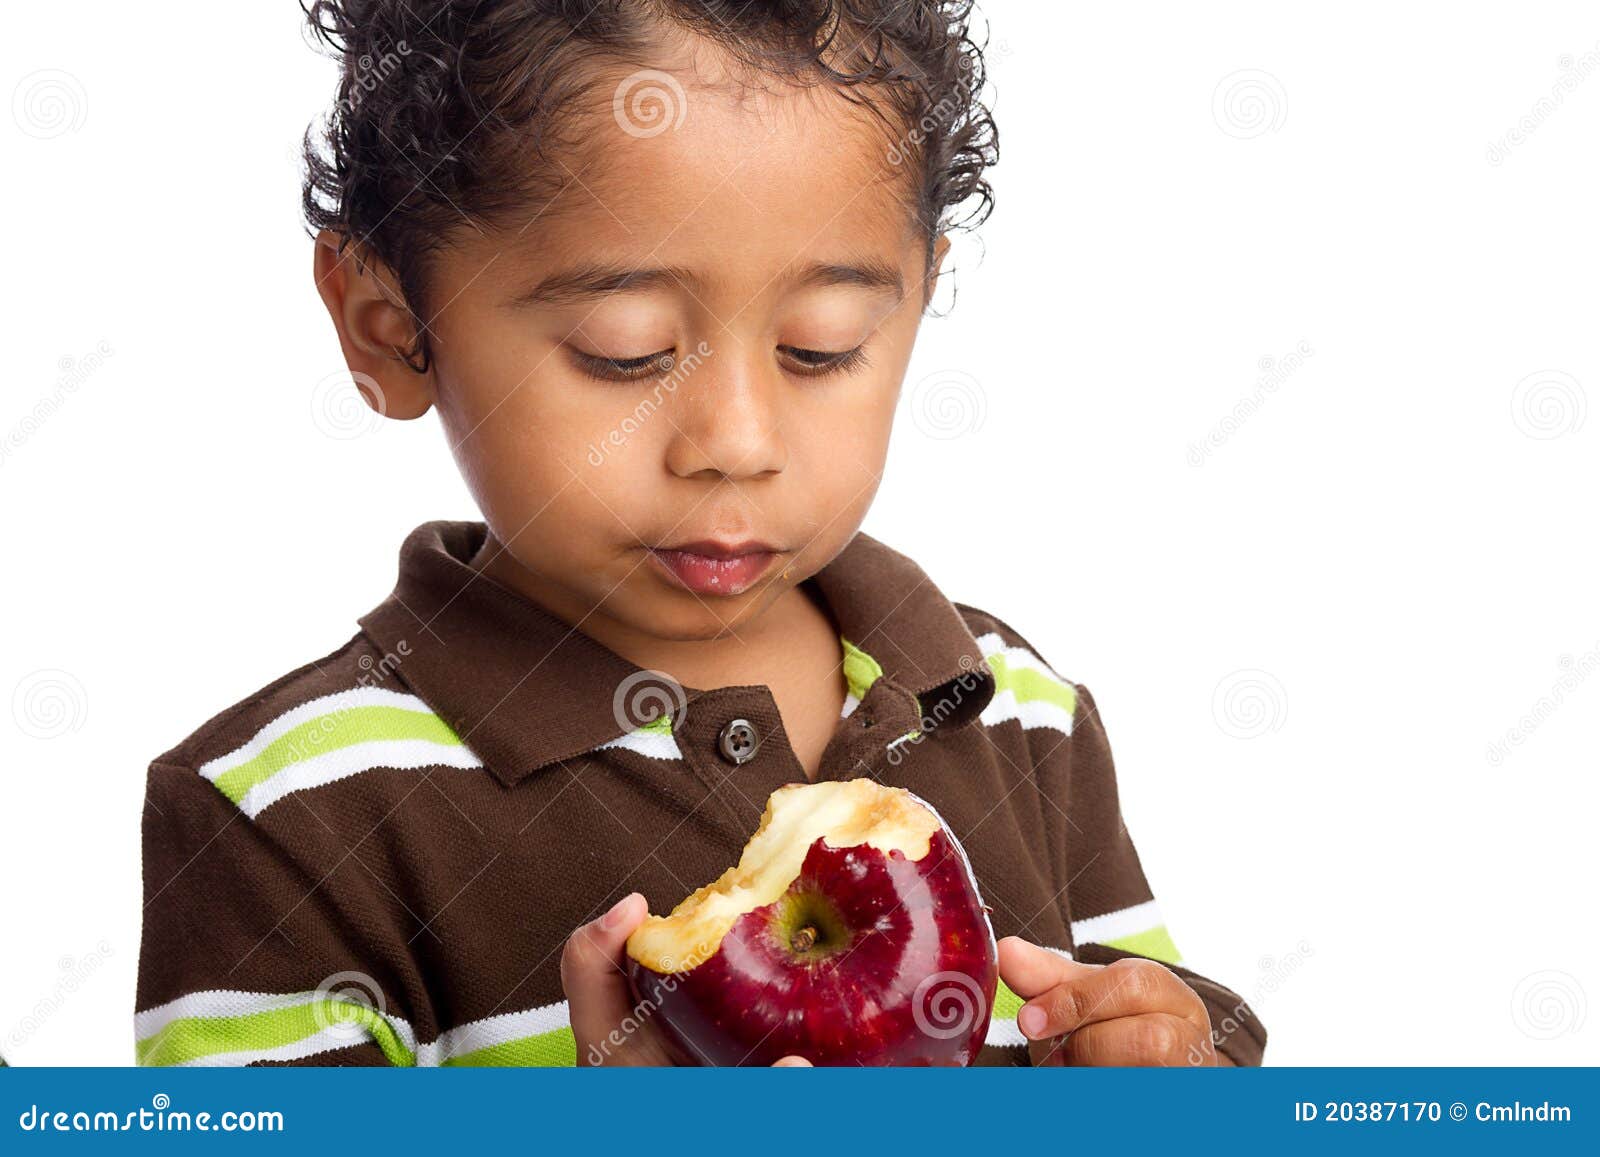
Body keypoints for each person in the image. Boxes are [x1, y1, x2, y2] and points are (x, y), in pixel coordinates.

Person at [134, 0, 1265, 1067]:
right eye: (623, 351)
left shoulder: (1015, 708)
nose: (735, 440)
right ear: (389, 327)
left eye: (821, 347)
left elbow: (1155, 1033)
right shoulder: (285, 808)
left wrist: (1168, 1052)